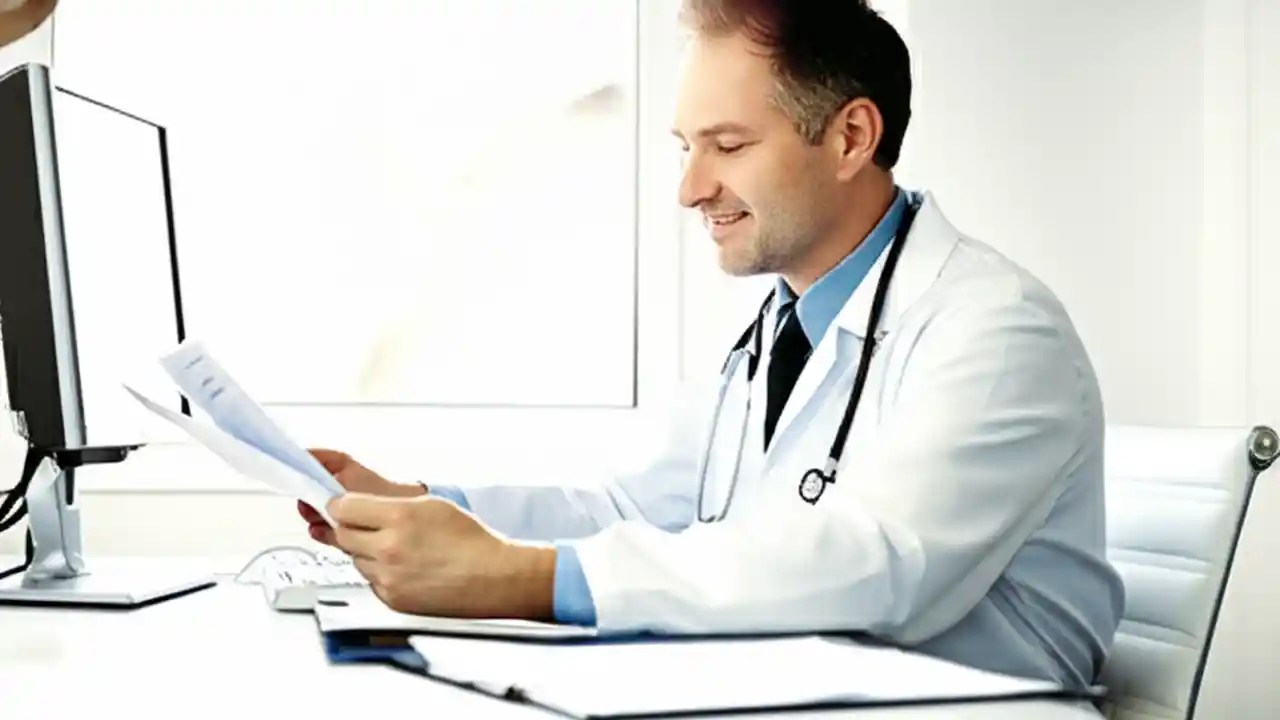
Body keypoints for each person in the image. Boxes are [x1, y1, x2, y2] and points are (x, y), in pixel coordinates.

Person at [298, 0, 1125, 690]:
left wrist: (521, 579)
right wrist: (422, 504)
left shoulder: (995, 328)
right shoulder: (779, 326)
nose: (691, 189)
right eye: (686, 148)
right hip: (794, 691)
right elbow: (634, 510)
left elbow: (887, 567)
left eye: (728, 146)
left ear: (850, 138)